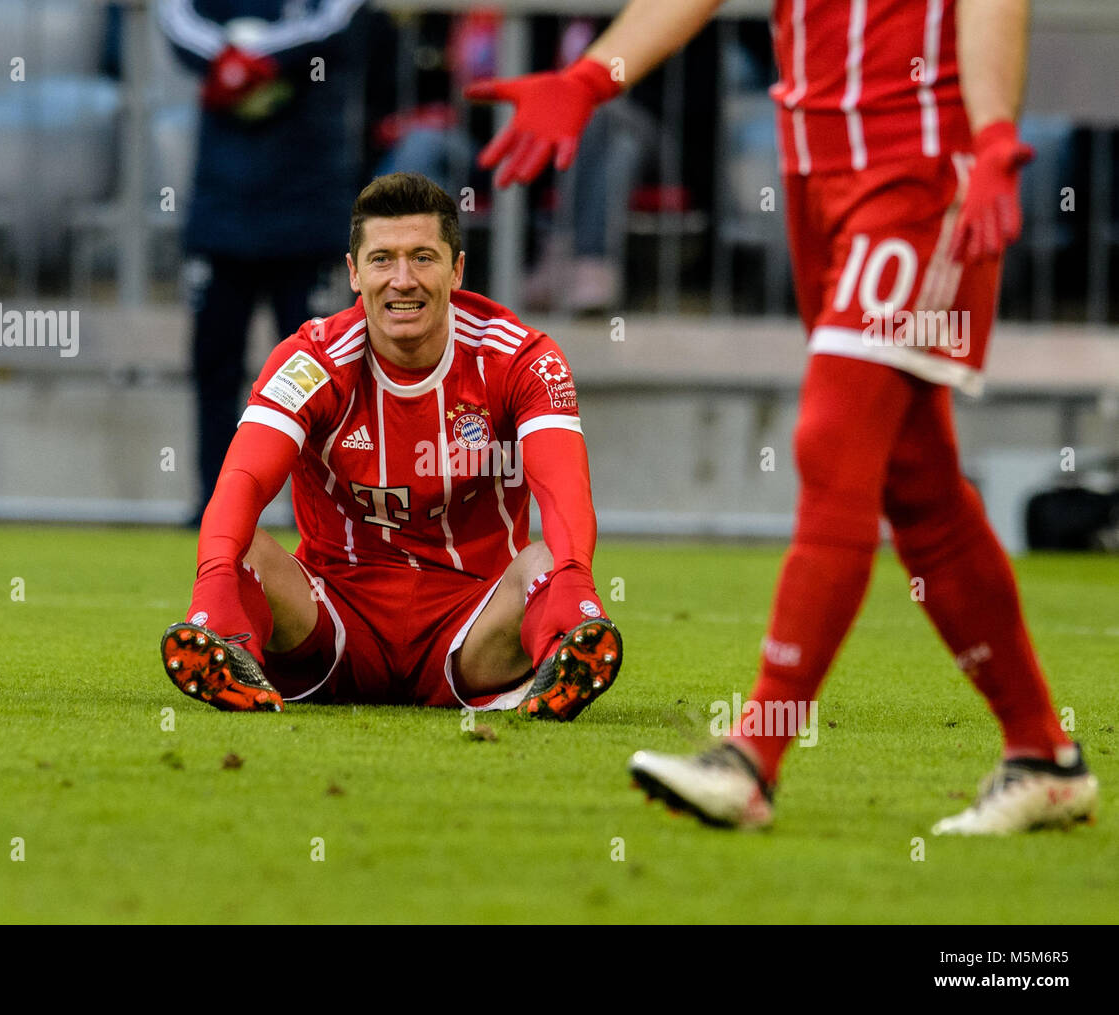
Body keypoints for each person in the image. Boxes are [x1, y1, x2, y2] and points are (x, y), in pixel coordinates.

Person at [468, 0, 1099, 833]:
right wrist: (593, 76)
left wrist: (989, 138)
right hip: (816, 179)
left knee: (831, 442)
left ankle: (751, 756)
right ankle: (1042, 755)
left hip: (918, 170)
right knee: (918, 484)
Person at [159, 173, 623, 720]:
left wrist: (573, 581)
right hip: (331, 625)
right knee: (244, 545)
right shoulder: (310, 360)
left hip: (475, 628)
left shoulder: (523, 358)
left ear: (457, 270)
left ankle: (564, 653)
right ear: (354, 273)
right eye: (382, 260)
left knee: (546, 561)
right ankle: (228, 649)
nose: (403, 280)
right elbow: (244, 481)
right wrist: (214, 584)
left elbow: (561, 486)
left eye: (423, 257)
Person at [157, 0, 367, 524]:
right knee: (214, 363)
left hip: (307, 199)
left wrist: (248, 53)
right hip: (222, 201)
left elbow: (341, 21)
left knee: (320, 372)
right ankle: (215, 505)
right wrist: (233, 55)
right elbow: (176, 20)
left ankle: (320, 512)